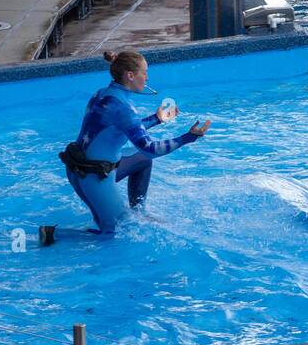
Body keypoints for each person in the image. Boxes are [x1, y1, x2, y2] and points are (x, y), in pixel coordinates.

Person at [53, 49, 209, 238]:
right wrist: (188, 137)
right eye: (144, 73)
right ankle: (54, 234)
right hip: (94, 178)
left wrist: (157, 118)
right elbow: (150, 148)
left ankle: (138, 213)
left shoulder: (103, 94)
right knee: (114, 232)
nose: (147, 78)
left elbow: (119, 128)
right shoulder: (124, 108)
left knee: (142, 161)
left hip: (78, 169)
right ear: (130, 75)